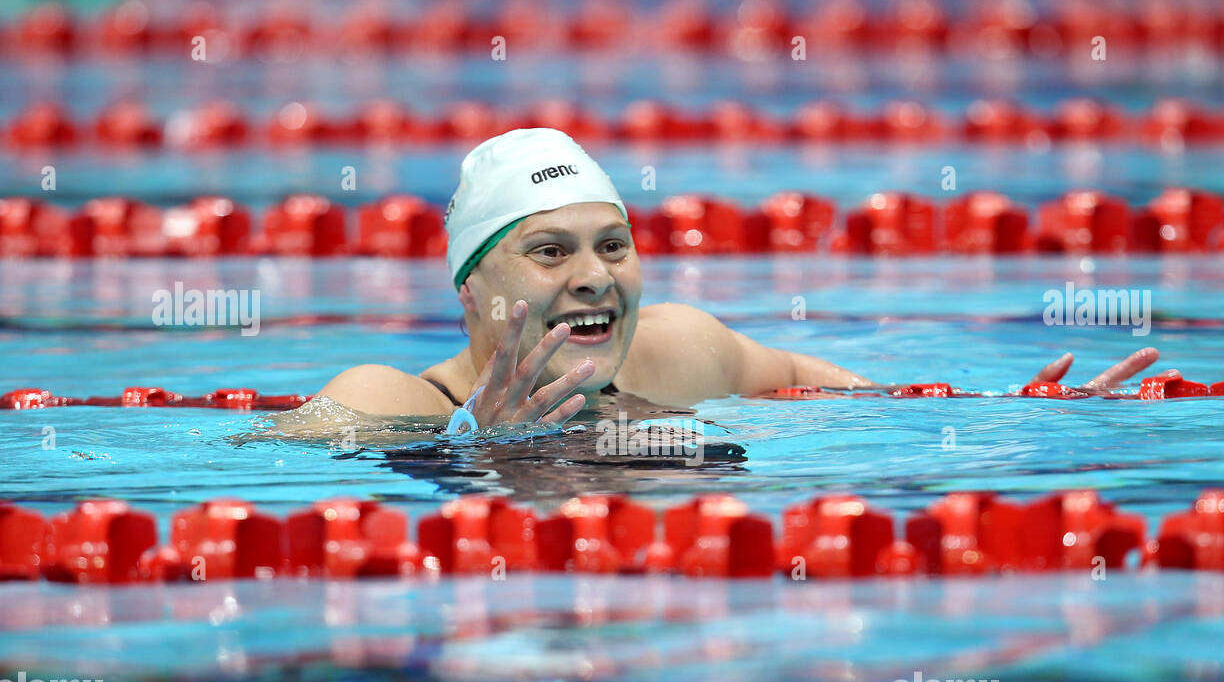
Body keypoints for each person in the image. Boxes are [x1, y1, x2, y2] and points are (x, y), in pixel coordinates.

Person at [313, 128, 1171, 427]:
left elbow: (815, 388)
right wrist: (472, 450)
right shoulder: (388, 401)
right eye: (550, 252)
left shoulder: (680, 351)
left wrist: (1010, 420)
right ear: (470, 289)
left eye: (613, 246)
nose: (594, 279)